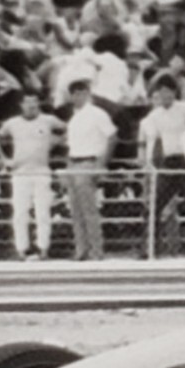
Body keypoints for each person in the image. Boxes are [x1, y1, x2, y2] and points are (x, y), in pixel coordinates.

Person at [137, 75, 185, 256]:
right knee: (154, 206)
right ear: (157, 93)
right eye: (162, 91)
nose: (165, 95)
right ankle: (150, 248)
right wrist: (150, 162)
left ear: (174, 92)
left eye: (169, 91)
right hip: (169, 162)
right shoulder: (155, 115)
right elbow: (151, 139)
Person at [0, 90, 63, 259]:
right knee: (20, 212)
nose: (31, 105)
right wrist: (5, 160)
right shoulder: (13, 123)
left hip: (41, 172)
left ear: (38, 103)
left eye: (34, 102)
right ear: (21, 105)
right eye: (27, 102)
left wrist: (55, 142)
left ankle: (43, 248)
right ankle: (21, 249)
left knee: (43, 212)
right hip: (20, 173)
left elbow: (68, 129)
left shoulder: (48, 120)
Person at [62, 78, 116, 260]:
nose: (78, 97)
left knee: (89, 210)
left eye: (81, 93)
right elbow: (71, 145)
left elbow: (112, 136)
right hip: (73, 162)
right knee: (75, 210)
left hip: (89, 161)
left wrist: (101, 164)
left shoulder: (97, 114)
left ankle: (96, 250)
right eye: (75, 94)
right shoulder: (74, 118)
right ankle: (81, 249)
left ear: (87, 93)